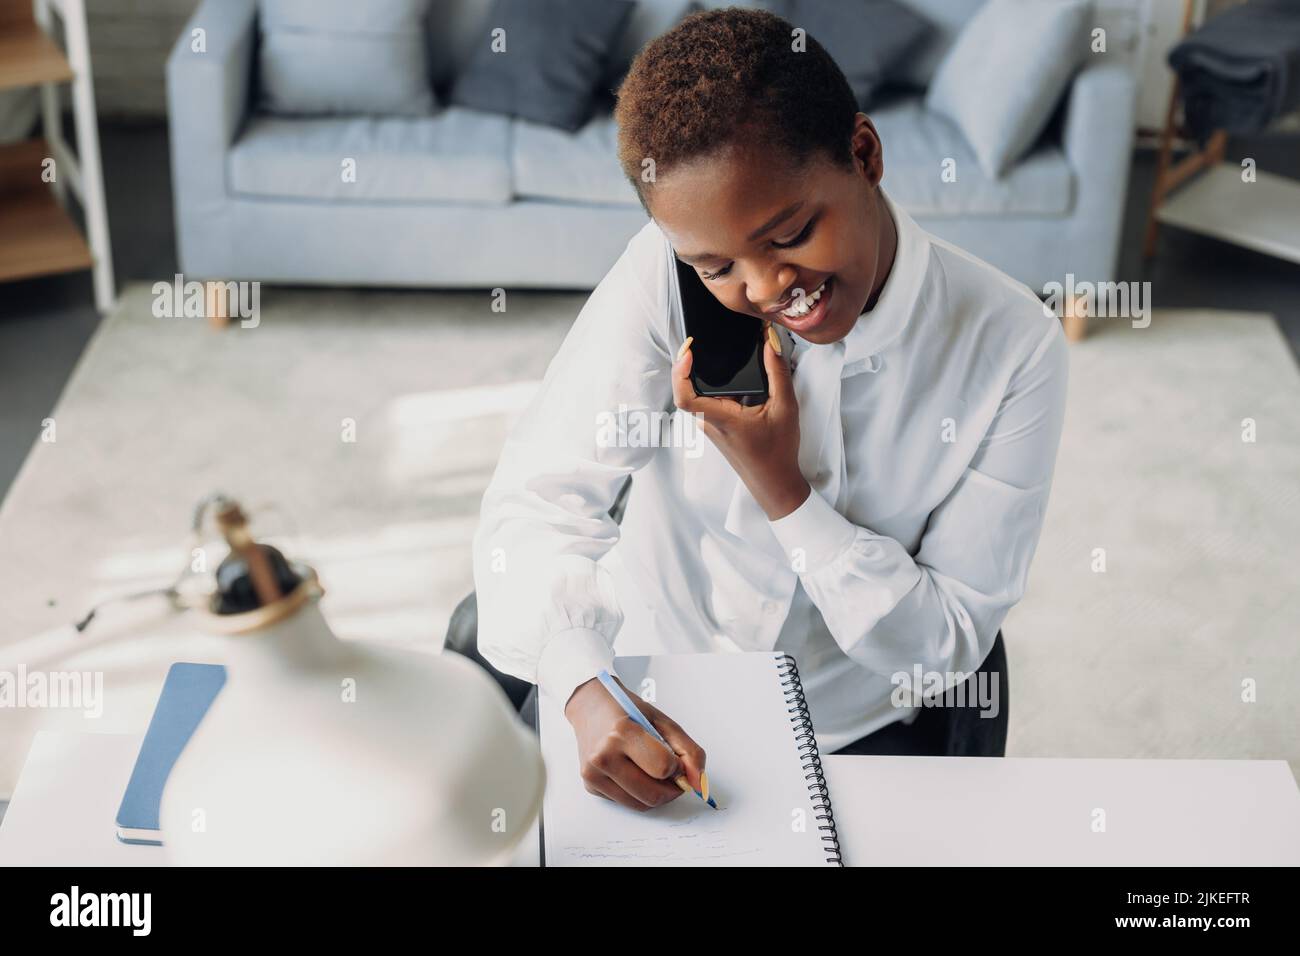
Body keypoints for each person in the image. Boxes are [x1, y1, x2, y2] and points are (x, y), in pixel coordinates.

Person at [472, 8, 1067, 812]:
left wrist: (783, 491)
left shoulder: (1013, 344)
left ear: (864, 153)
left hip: (863, 724)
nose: (762, 289)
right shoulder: (662, 275)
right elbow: (538, 498)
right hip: (656, 689)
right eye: (717, 265)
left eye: (789, 234)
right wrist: (582, 683)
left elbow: (950, 639)